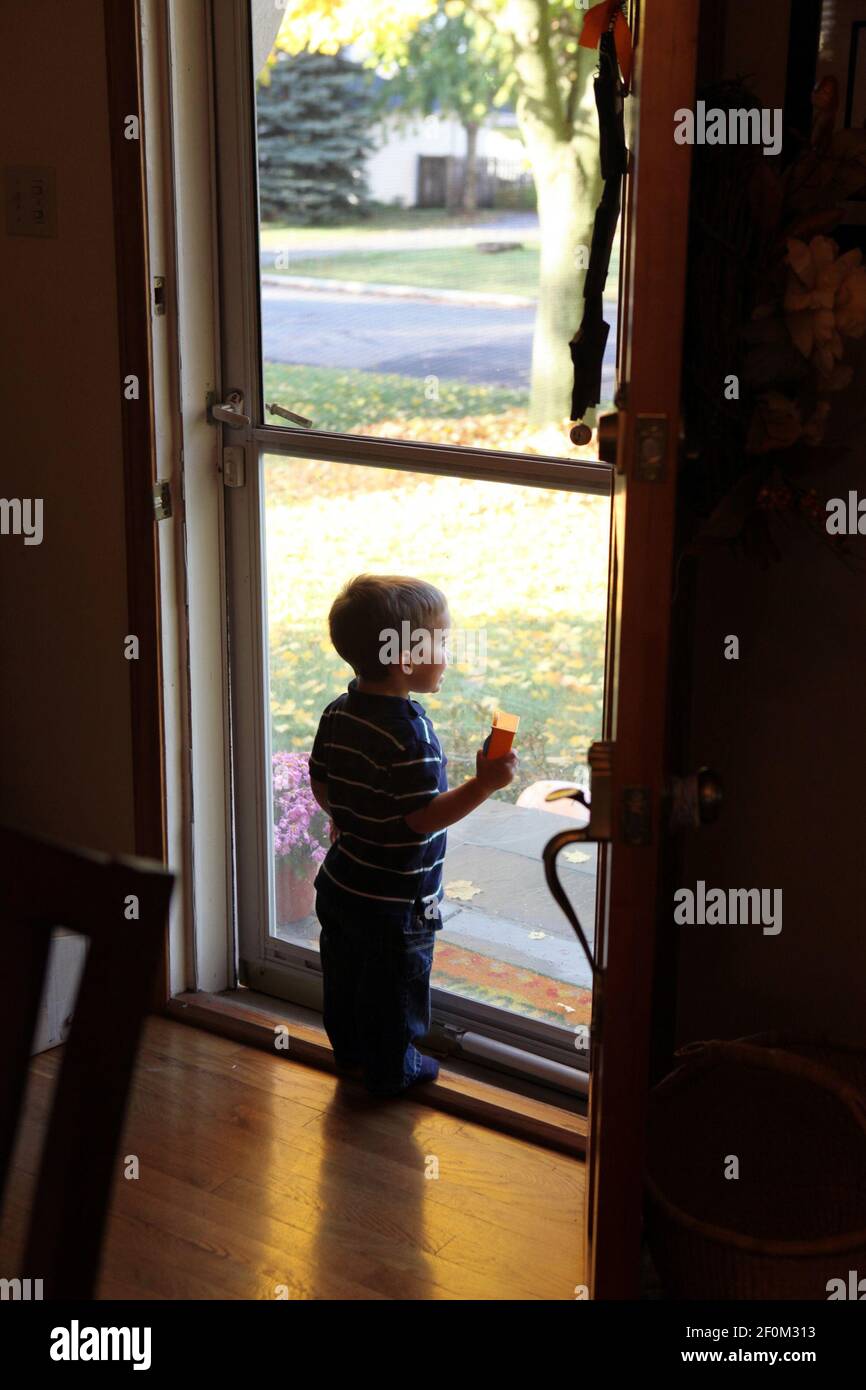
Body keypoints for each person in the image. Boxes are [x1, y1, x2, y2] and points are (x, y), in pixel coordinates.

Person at [309, 574, 517, 1096]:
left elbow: (321, 778)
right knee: (394, 990)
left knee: (345, 977)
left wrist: (347, 815)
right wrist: (485, 783)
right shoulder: (411, 734)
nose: (447, 653)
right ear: (405, 662)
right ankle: (392, 1070)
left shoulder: (339, 710)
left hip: (340, 885)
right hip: (396, 901)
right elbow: (422, 817)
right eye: (441, 643)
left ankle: (351, 1056)